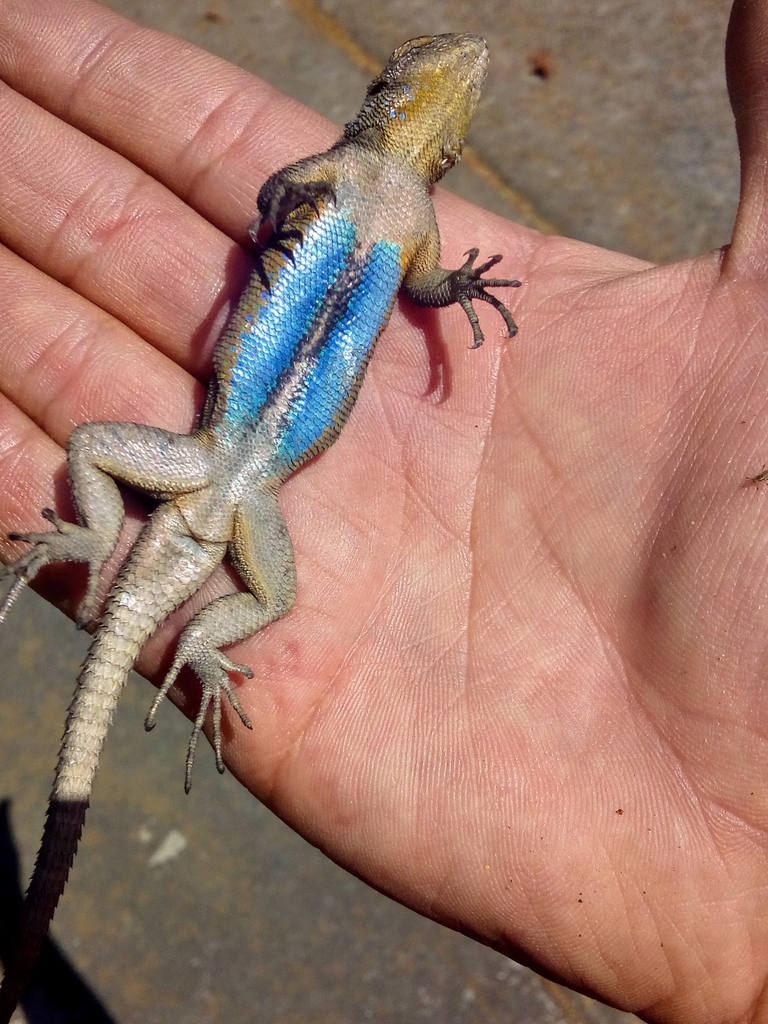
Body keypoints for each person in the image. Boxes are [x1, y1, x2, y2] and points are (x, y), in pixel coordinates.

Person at [0, 1, 766, 1020]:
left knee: (250, 571)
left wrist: (452, 284)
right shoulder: (358, 180)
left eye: (458, 85)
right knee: (107, 457)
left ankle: (193, 634)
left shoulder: (401, 211)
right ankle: (108, 546)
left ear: (442, 139)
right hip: (227, 463)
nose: (460, 69)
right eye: (431, 69)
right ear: (392, 101)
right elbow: (284, 195)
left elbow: (402, 265)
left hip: (230, 472)